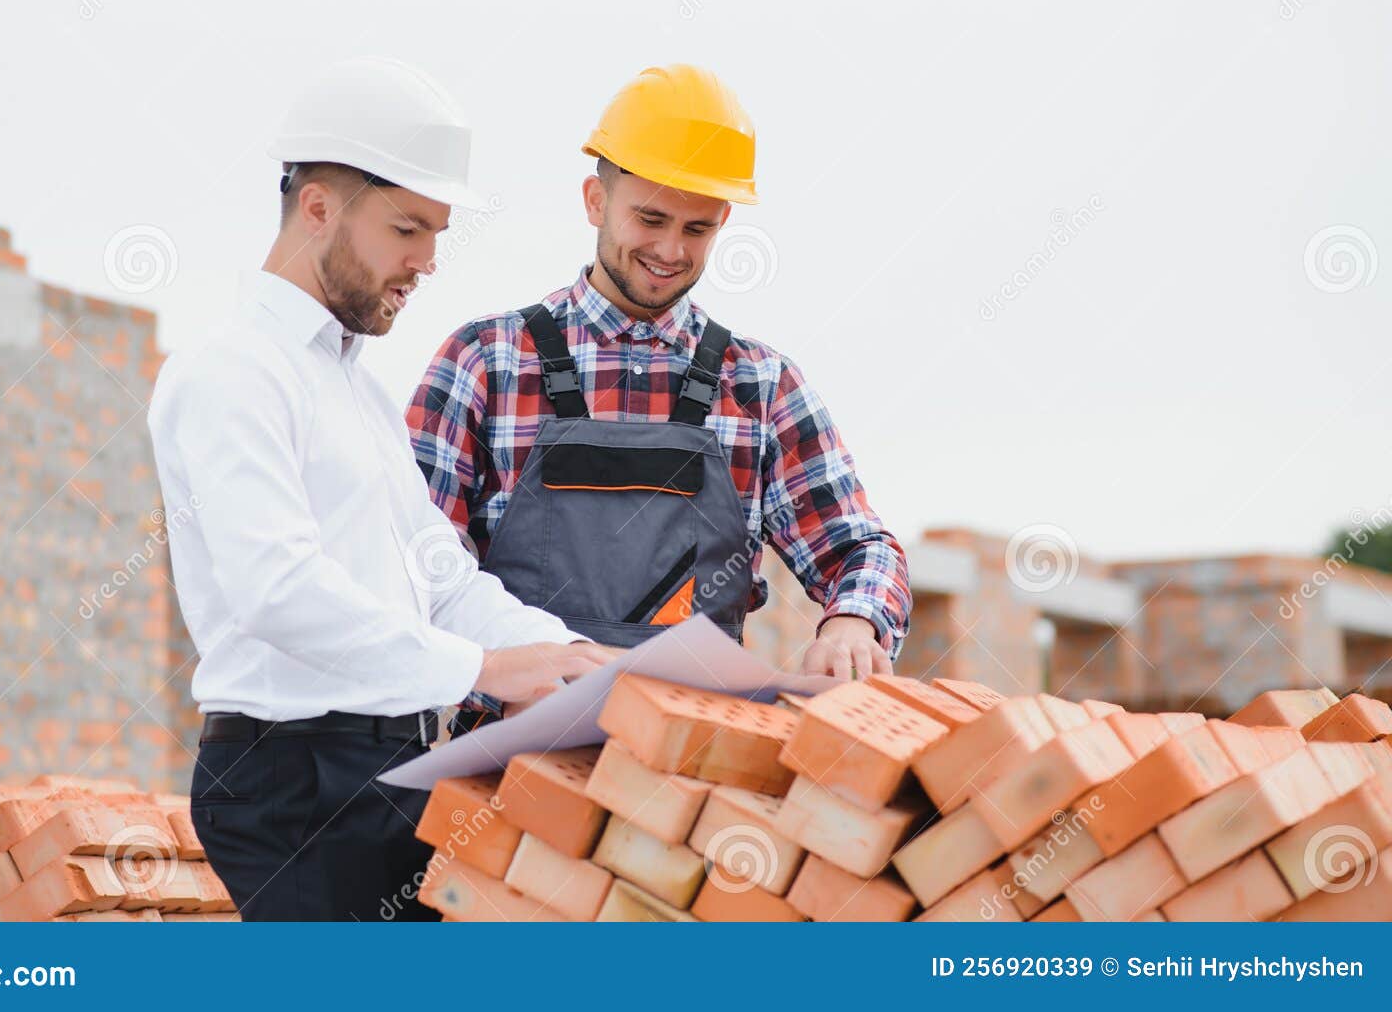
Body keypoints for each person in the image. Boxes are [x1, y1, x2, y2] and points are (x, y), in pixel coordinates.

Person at [148, 58, 609, 921]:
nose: (428, 262)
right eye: (408, 229)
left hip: (384, 769)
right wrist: (485, 669)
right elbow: (277, 590)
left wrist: (569, 659)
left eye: (435, 233)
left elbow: (441, 576)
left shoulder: (355, 389)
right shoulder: (230, 374)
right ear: (318, 206)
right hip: (290, 782)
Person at [405, 63, 909, 729]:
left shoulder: (759, 386)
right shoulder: (486, 362)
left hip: (697, 763)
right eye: (650, 218)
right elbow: (411, 564)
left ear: (723, 221)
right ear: (594, 200)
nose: (671, 249)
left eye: (697, 229)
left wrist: (852, 621)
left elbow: (858, 547)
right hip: (508, 766)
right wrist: (502, 668)